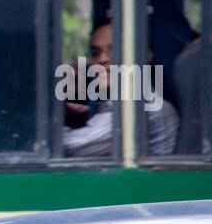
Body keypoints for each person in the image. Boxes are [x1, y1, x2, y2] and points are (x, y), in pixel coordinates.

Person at [63, 20, 179, 158]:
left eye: (115, 51)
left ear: (145, 56)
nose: (103, 59)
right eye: (95, 53)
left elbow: (70, 146)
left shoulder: (146, 107)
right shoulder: (112, 104)